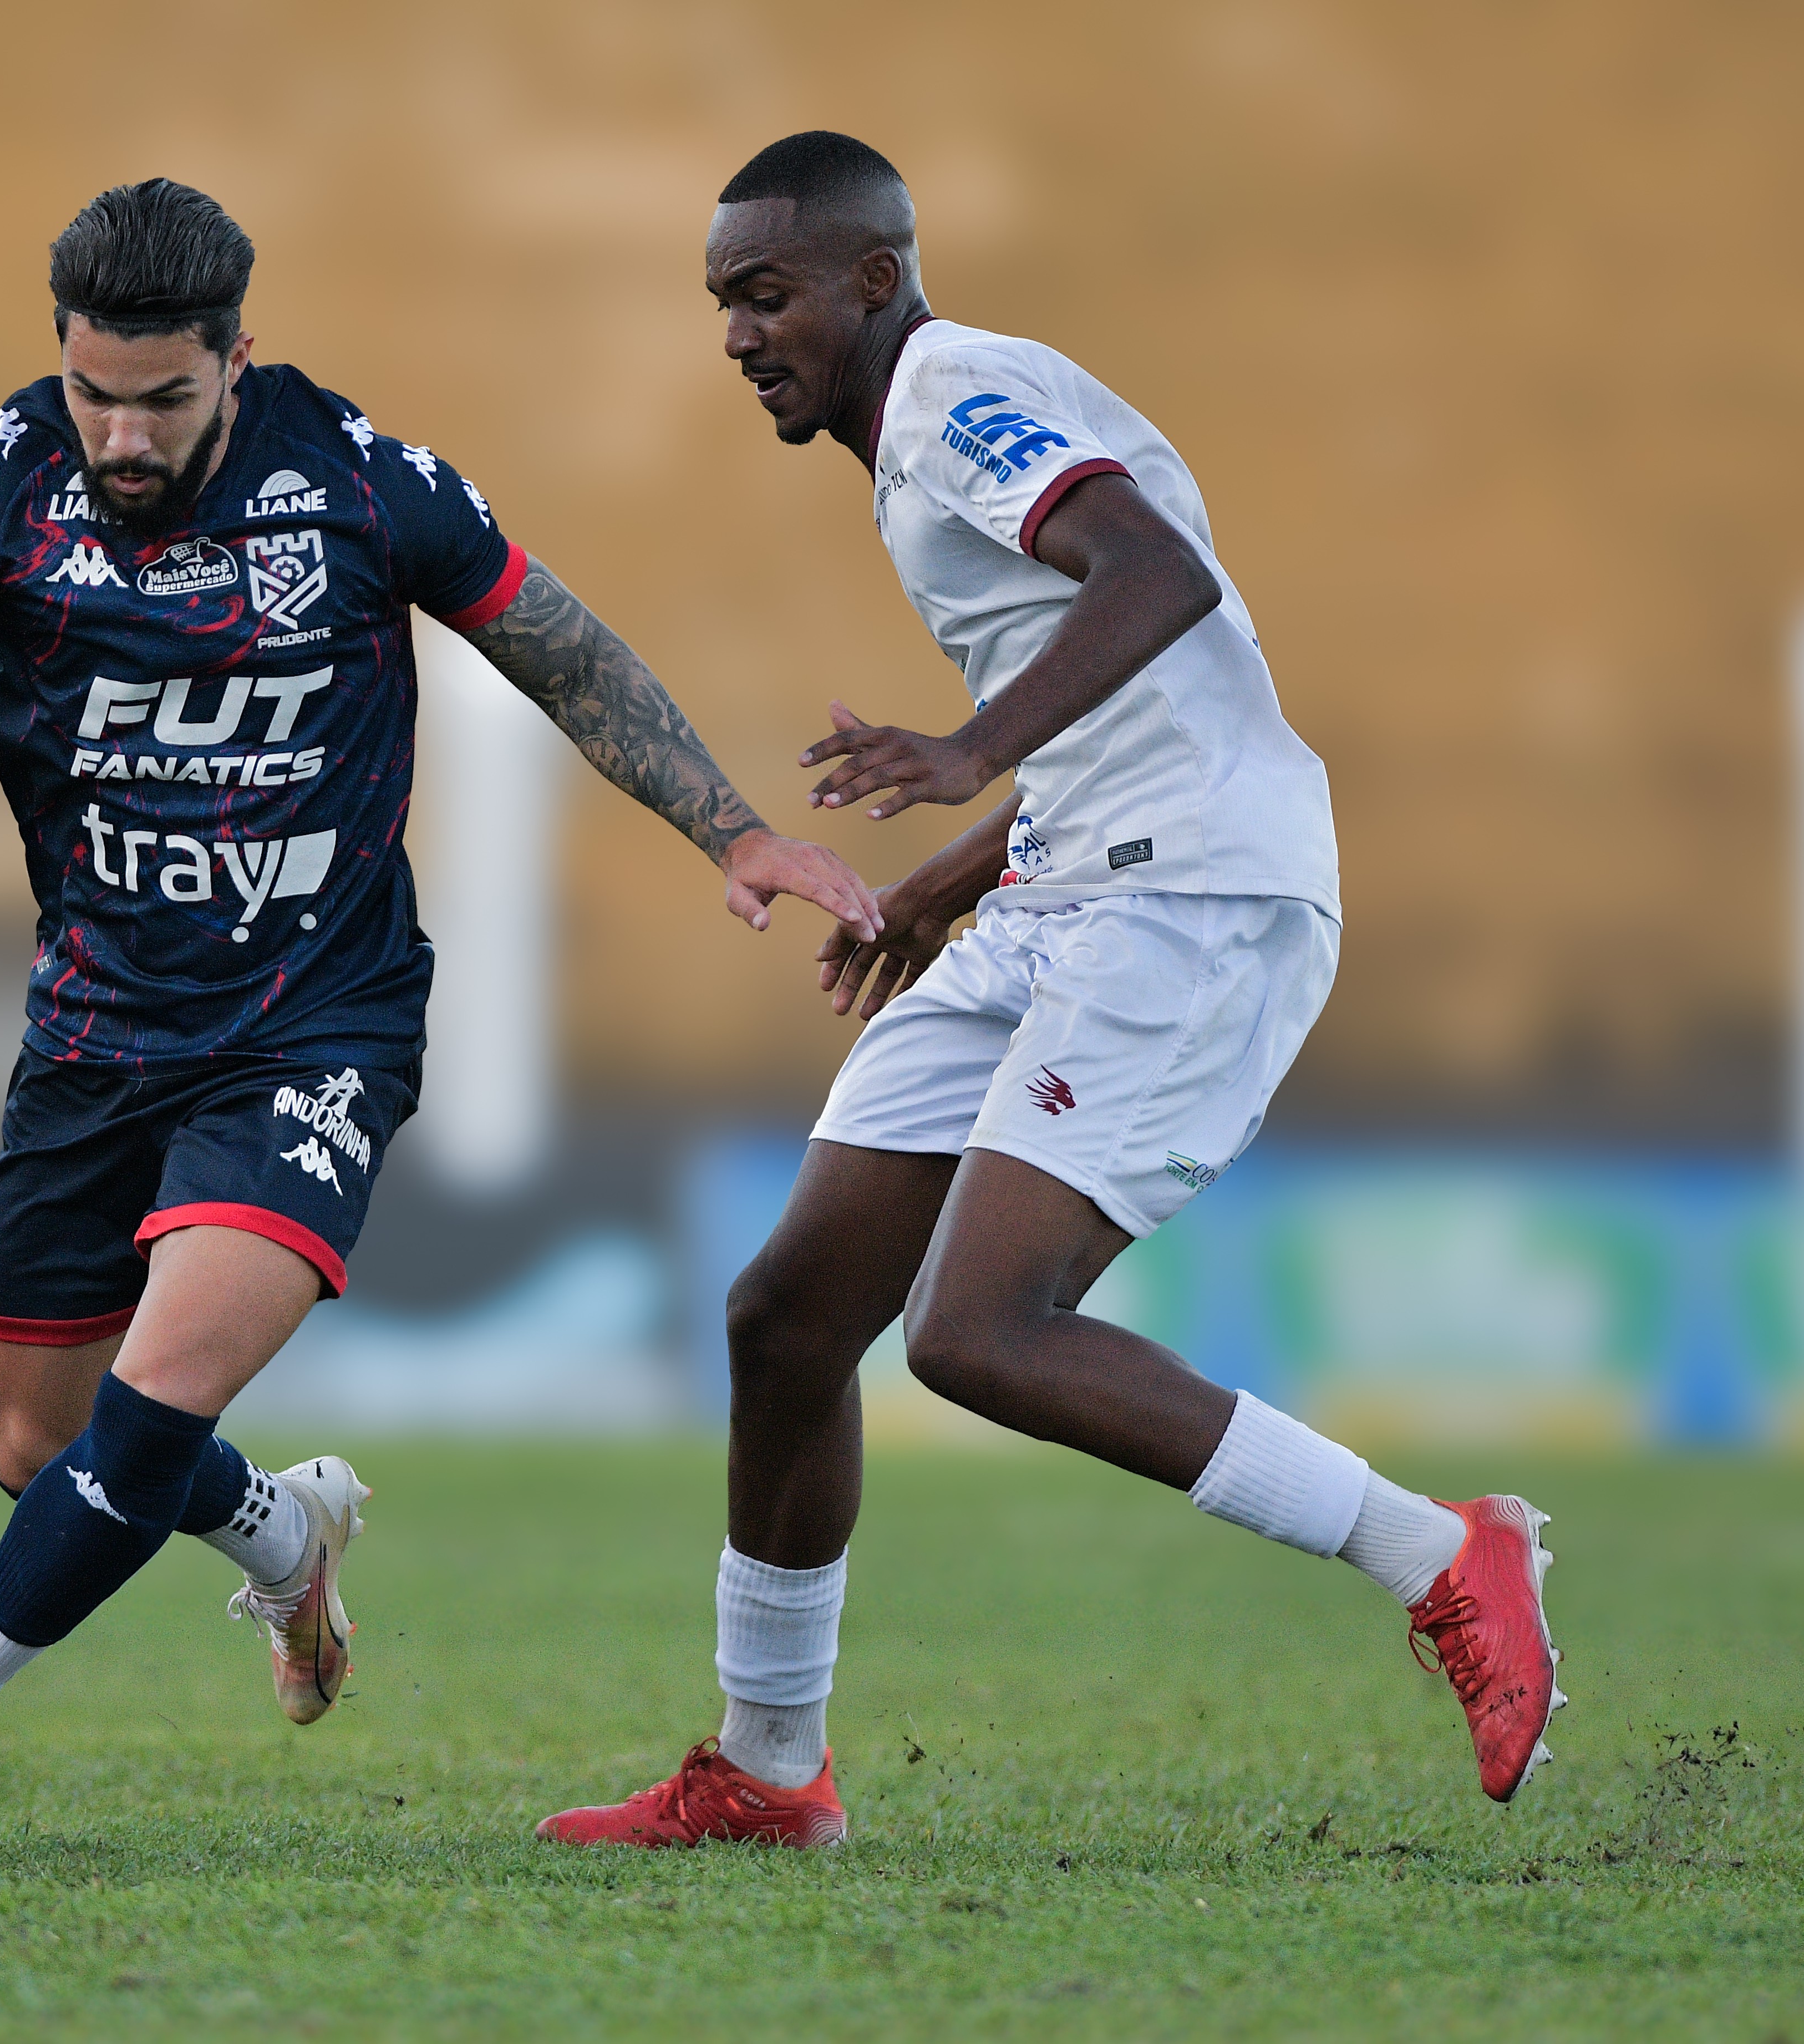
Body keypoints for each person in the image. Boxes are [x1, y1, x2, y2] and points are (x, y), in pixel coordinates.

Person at [0, 177, 880, 1849]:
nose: (123, 438)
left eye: (163, 398)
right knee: (39, 1443)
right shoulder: (1, 487)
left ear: (237, 359)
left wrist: (734, 830)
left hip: (316, 1028)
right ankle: (285, 1540)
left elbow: (563, 653)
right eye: (94, 394)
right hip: (93, 1032)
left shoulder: (359, 486)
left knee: (148, 1413)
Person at [537, 132, 1561, 1849]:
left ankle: (1443, 1551)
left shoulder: (950, 393)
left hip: (1194, 901)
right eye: (721, 301)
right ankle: (771, 1773)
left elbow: (1160, 580)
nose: (737, 334)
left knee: (975, 1336)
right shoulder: (915, 436)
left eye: (768, 293)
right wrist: (942, 888)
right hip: (1063, 886)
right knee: (788, 1321)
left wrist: (958, 755)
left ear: (875, 279)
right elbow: (1114, 689)